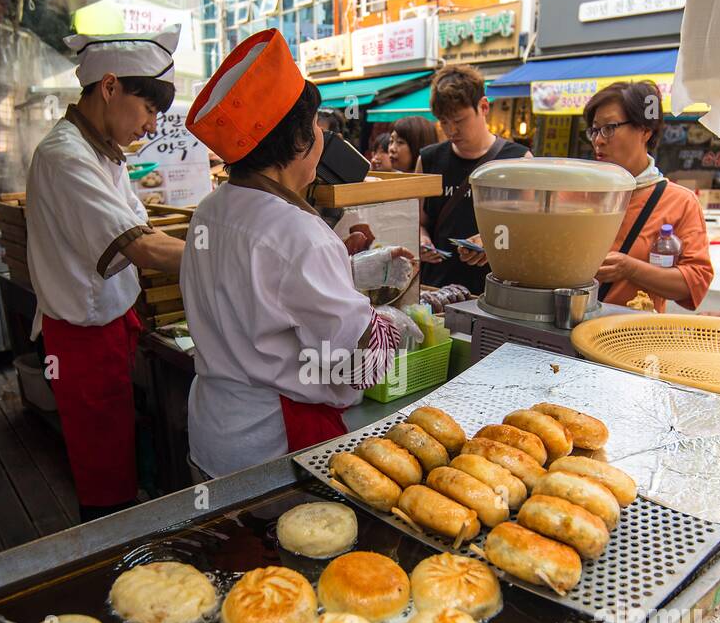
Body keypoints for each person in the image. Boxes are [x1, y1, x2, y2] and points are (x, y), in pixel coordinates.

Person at [181, 29, 416, 478]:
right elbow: (355, 361)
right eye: (315, 125)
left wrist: (354, 270)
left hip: (215, 429)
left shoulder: (211, 210)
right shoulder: (298, 231)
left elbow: (266, 290)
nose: (322, 135)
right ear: (297, 142)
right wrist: (392, 325)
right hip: (274, 443)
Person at [26, 26, 186, 520]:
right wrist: (233, 256)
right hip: (82, 338)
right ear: (110, 86)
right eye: (149, 108)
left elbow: (140, 223)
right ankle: (110, 554)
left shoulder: (101, 154)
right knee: (102, 467)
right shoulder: (65, 157)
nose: (152, 126)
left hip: (110, 325)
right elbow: (140, 245)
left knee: (119, 444)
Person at [584, 81, 712, 312]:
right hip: (567, 327)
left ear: (645, 130)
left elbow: (695, 281)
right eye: (594, 130)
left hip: (634, 338)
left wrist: (630, 268)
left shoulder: (679, 202)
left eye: (609, 128)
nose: (598, 140)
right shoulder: (579, 191)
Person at [416, 65, 530, 294]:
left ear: (484, 107)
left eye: (459, 120)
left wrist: (493, 242)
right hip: (436, 289)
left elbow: (530, 232)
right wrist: (422, 241)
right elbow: (418, 222)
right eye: (444, 121)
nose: (451, 130)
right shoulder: (428, 159)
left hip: (492, 291)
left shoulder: (519, 160)